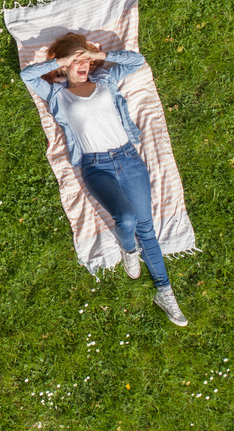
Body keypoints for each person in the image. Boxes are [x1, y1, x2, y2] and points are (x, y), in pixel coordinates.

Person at [20, 32, 188, 326]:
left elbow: (137, 60)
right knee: (125, 219)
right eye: (76, 60)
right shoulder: (56, 93)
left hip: (129, 159)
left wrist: (98, 57)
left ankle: (165, 291)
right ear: (63, 65)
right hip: (95, 166)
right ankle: (127, 248)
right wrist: (63, 60)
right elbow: (27, 75)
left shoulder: (105, 80)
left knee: (146, 228)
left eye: (85, 58)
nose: (82, 64)